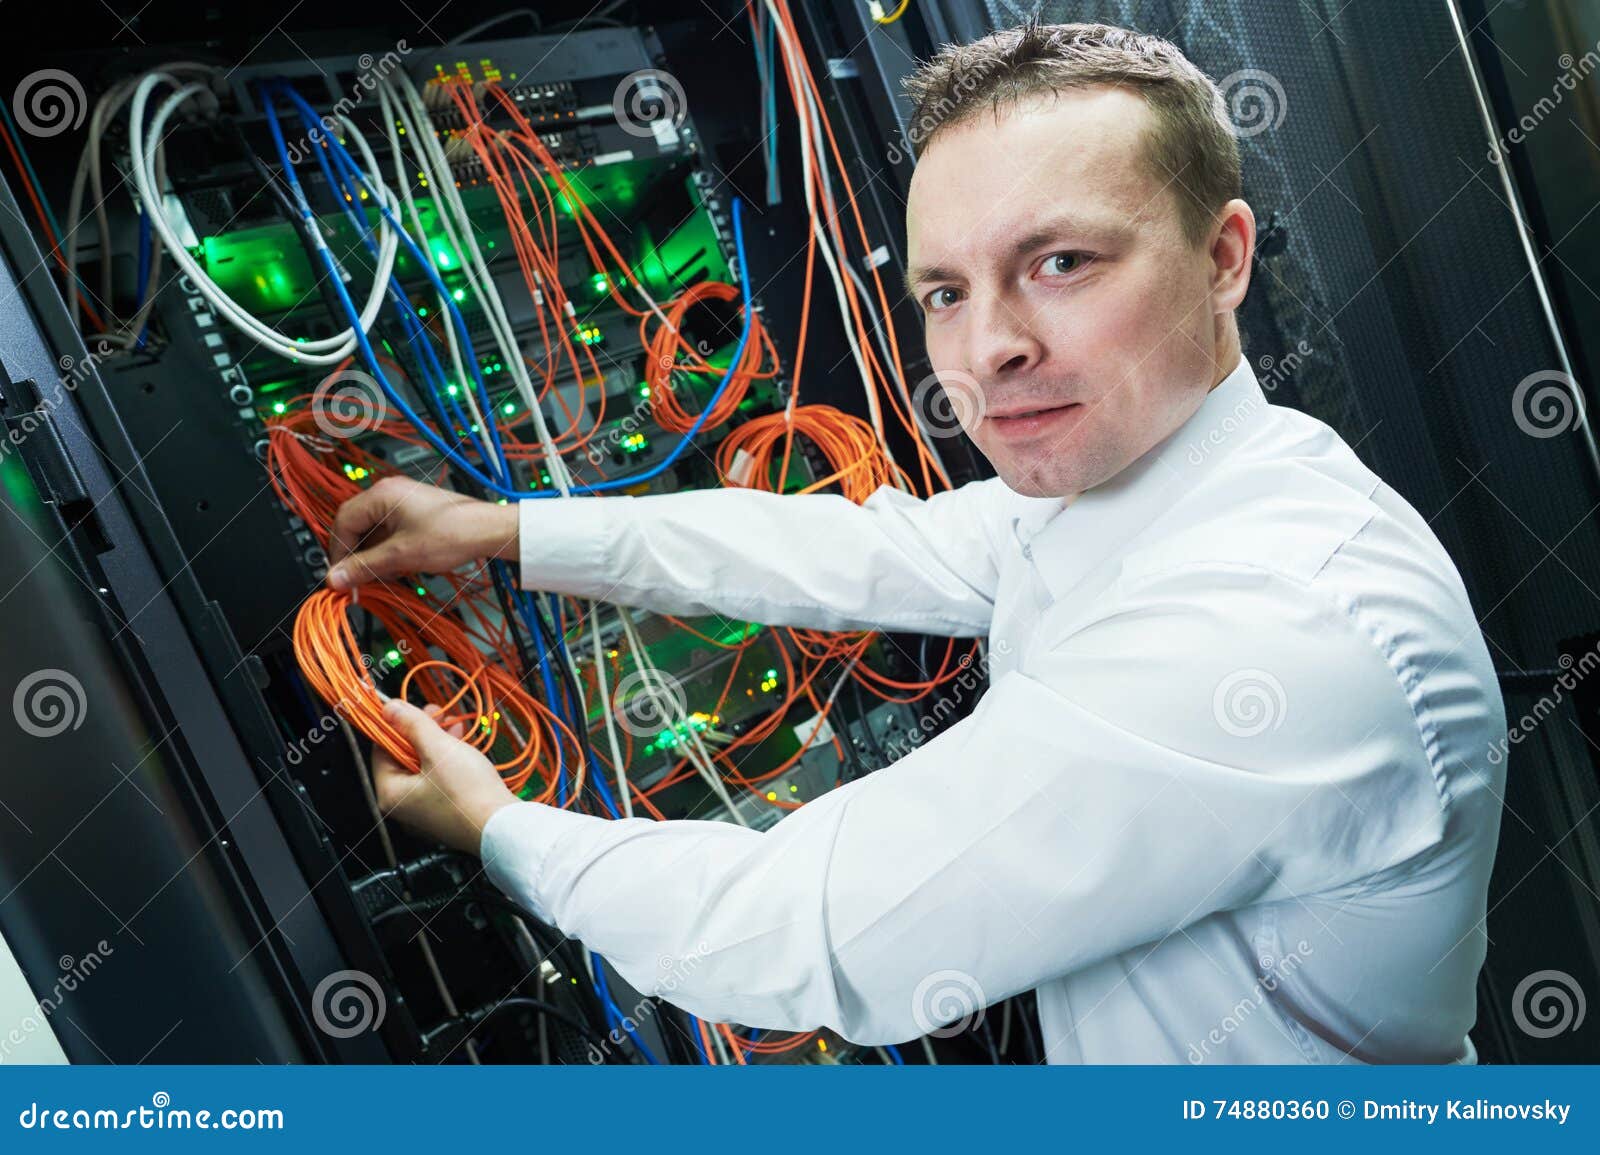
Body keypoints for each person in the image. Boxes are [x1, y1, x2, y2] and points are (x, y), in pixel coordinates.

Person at [324, 22, 1505, 1063]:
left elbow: (813, 933)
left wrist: (497, 828)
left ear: (1223, 257)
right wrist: (506, 529)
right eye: (945, 291)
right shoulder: (1154, 479)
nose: (986, 347)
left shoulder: (1268, 620)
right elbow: (859, 551)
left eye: (1059, 264)